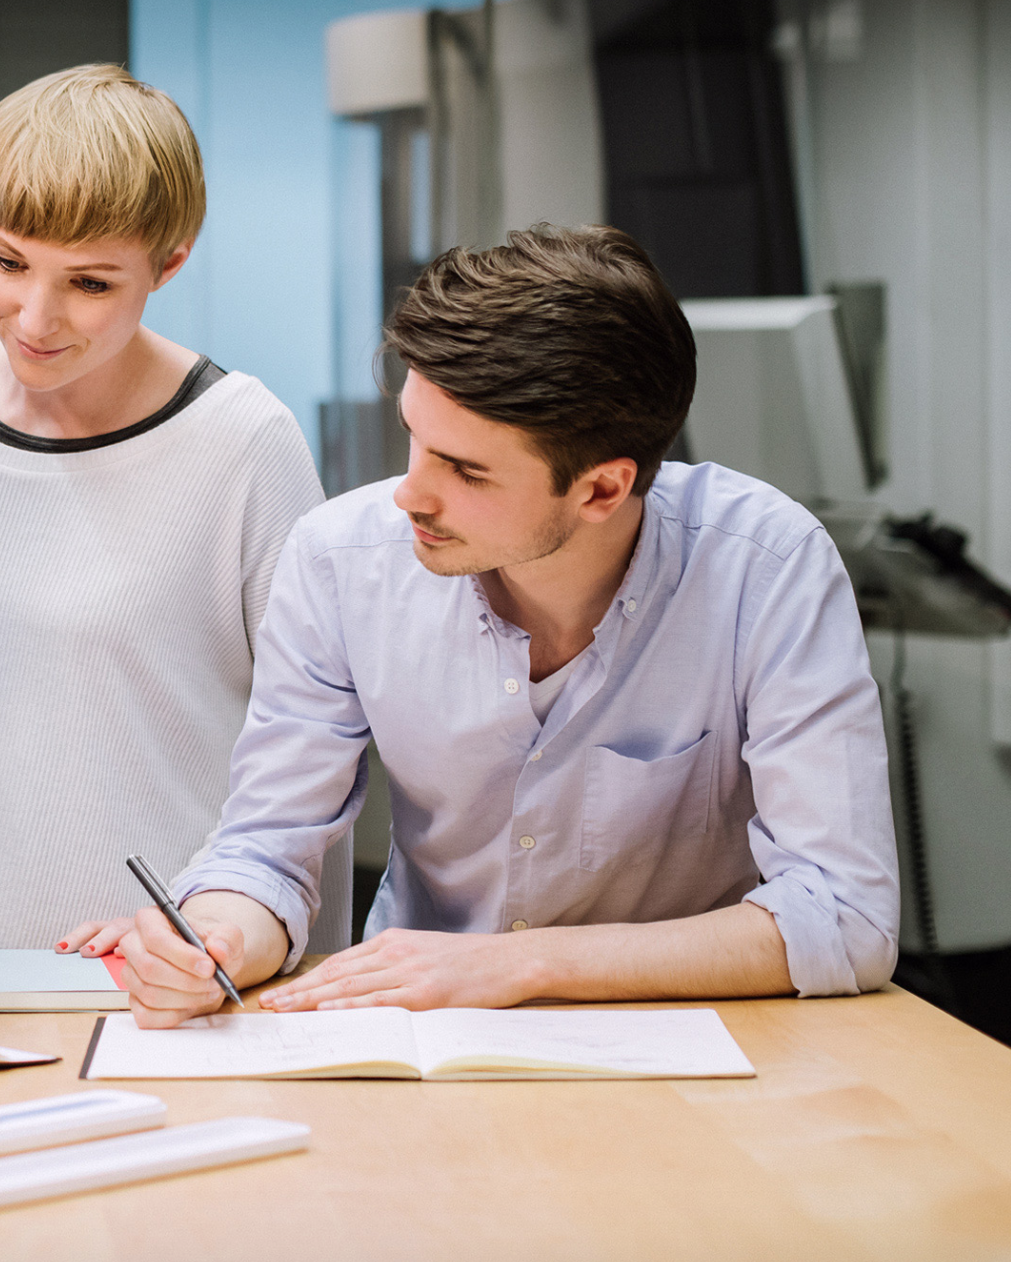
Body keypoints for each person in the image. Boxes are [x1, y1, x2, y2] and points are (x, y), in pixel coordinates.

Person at [95, 224, 899, 1026]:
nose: (409, 494)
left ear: (601, 490)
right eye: (416, 440)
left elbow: (845, 915)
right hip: (423, 1036)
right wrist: (214, 941)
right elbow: (267, 845)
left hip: (695, 1036)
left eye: (466, 471)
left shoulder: (766, 567)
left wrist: (520, 965)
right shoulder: (341, 560)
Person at [0, 64, 323, 949]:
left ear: (170, 264)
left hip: (149, 968)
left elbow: (310, 750)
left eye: (89, 284)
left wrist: (223, 932)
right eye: (8, 261)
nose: (34, 318)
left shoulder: (245, 442)